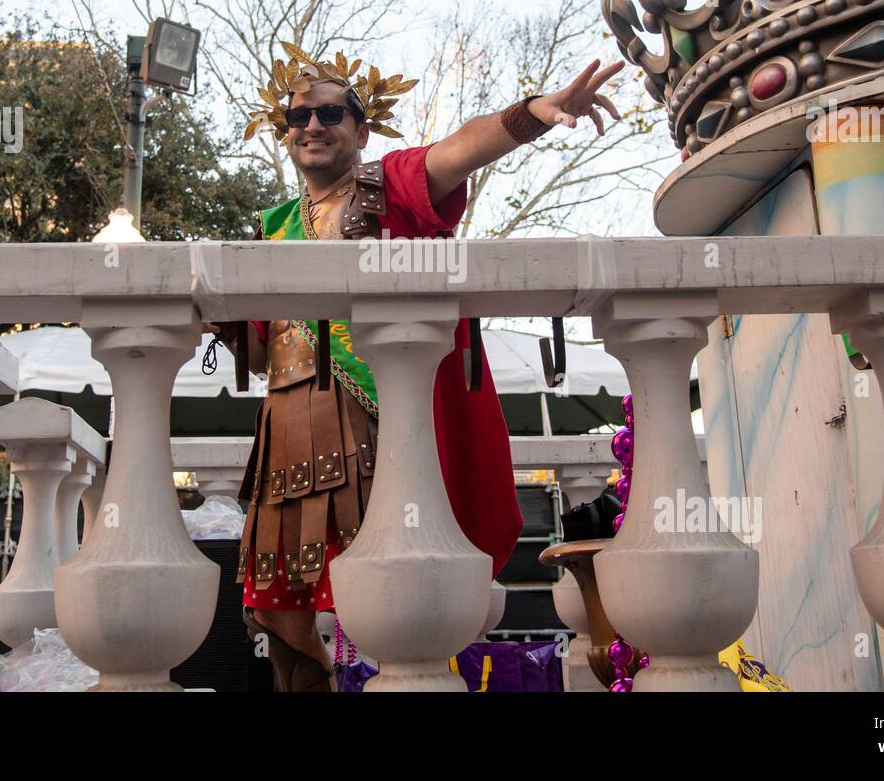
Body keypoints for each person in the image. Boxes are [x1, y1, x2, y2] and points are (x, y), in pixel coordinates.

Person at [213, 42, 622, 691]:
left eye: (331, 114)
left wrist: (535, 114)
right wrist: (221, 320)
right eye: (298, 118)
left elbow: (460, 148)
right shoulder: (275, 226)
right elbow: (261, 351)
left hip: (369, 423)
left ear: (360, 129)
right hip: (286, 427)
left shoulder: (387, 184)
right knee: (274, 611)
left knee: (374, 595)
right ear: (284, 133)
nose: (313, 126)